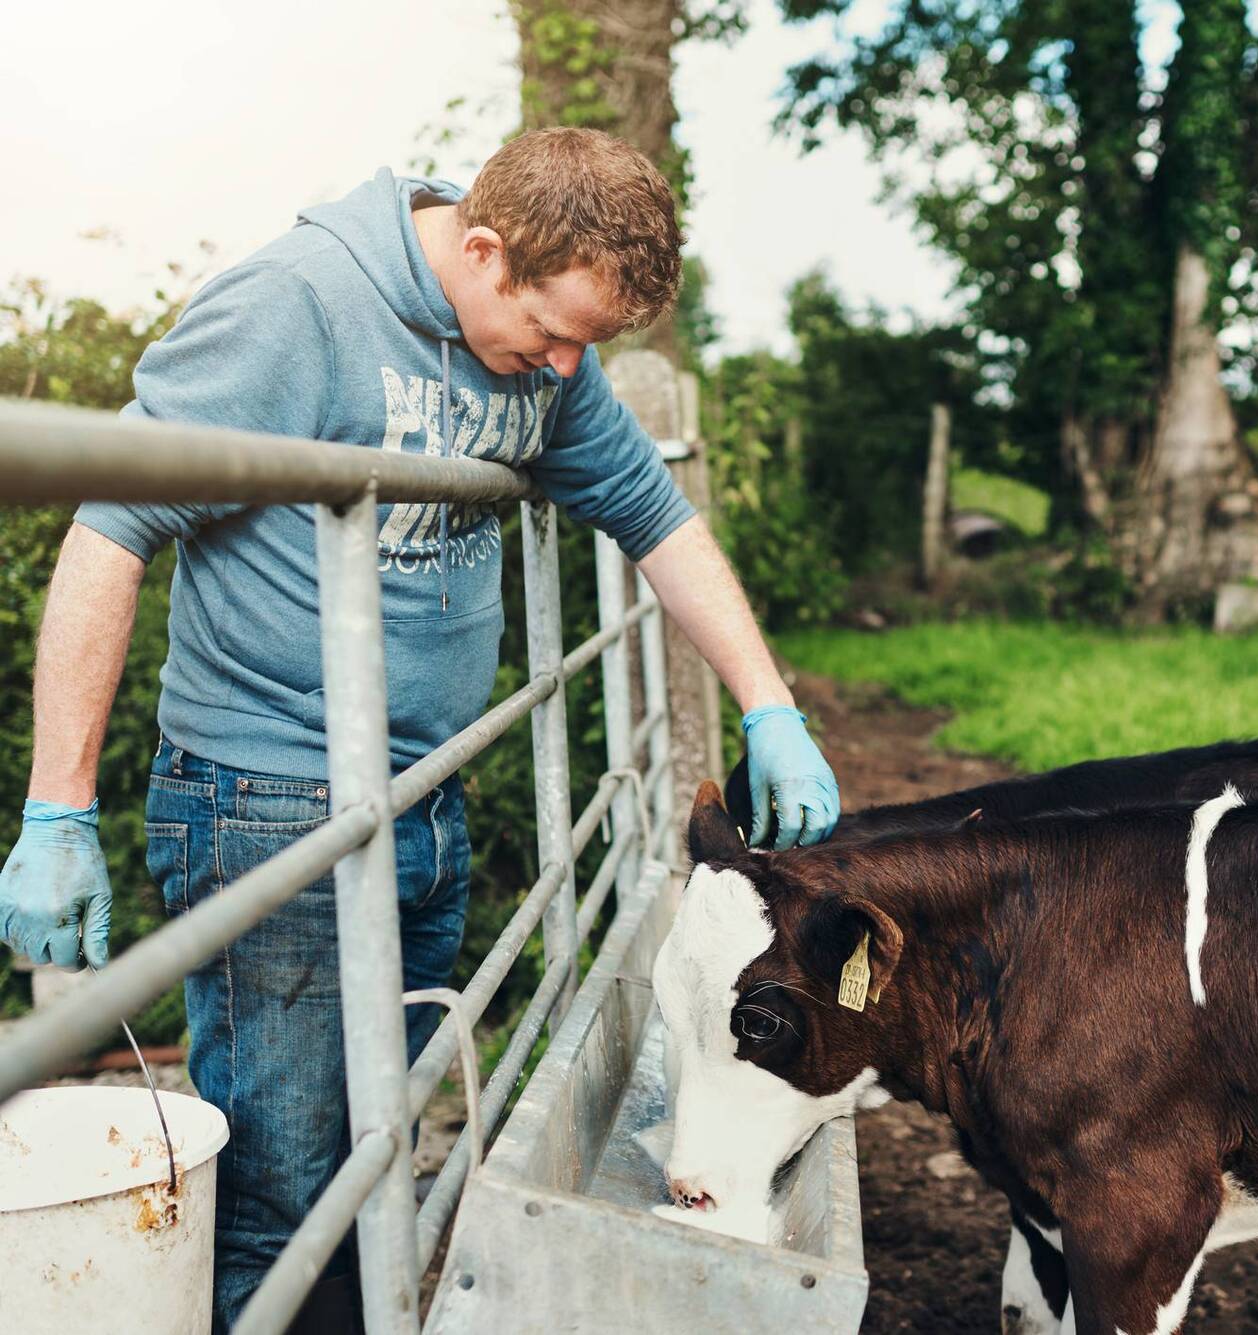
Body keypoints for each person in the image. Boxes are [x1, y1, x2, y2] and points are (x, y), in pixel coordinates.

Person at [0, 127, 839, 1328]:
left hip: (423, 796)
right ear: (485, 250)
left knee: (374, 1145)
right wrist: (56, 808)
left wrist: (770, 706)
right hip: (268, 803)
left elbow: (655, 516)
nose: (560, 373)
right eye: (552, 335)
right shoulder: (300, 306)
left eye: (583, 348)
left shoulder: (544, 357)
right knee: (283, 1194)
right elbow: (107, 529)